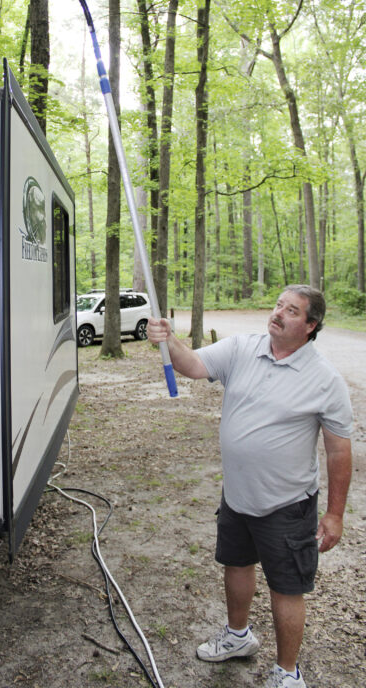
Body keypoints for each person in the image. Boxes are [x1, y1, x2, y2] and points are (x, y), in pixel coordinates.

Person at [147, 285, 353, 688]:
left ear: (310, 326)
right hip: (238, 495)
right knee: (236, 565)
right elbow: (191, 366)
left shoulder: (324, 379)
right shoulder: (244, 348)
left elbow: (338, 452)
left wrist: (334, 514)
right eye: (278, 305)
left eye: (291, 311)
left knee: (287, 588)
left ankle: (288, 673)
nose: (278, 314)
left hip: (287, 504)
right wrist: (167, 338)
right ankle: (238, 636)